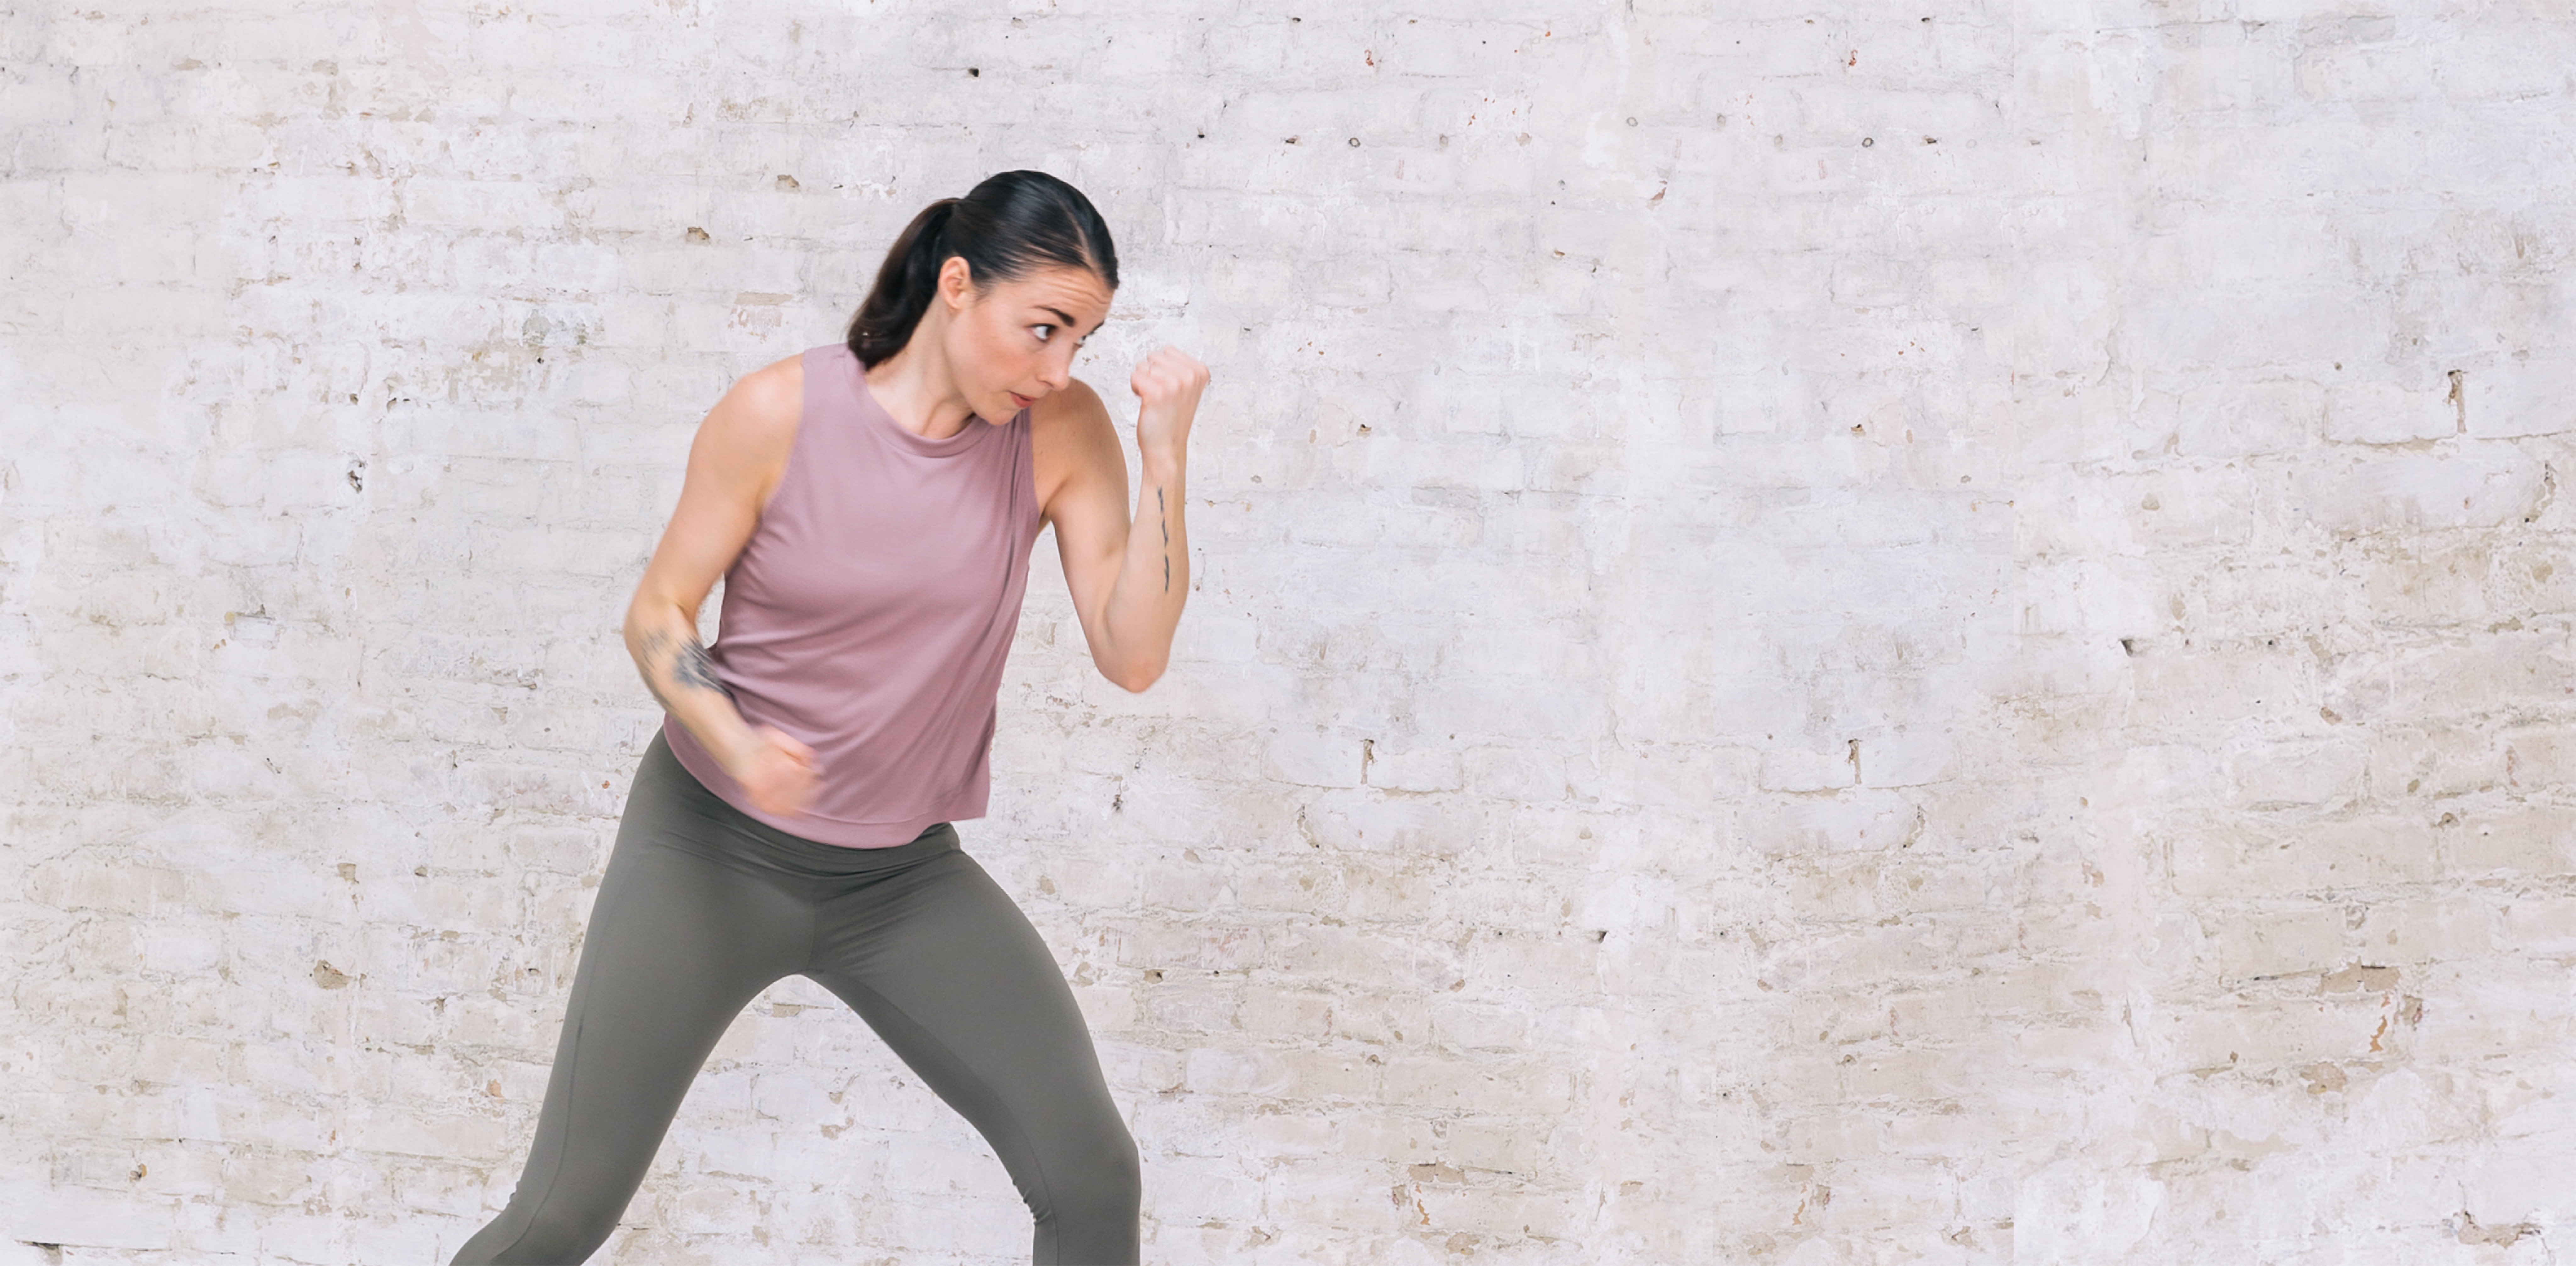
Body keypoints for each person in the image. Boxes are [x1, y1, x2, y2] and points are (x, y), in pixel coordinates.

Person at [450, 169, 1208, 1266]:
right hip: (707, 852)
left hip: (899, 883)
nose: (1057, 370)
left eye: (1080, 341)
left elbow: (1133, 657)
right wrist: (741, 746)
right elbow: (658, 614)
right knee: (564, 1213)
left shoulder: (1060, 431)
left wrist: (1166, 457)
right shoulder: (780, 412)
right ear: (957, 285)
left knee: (1092, 1176)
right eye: (1041, 330)